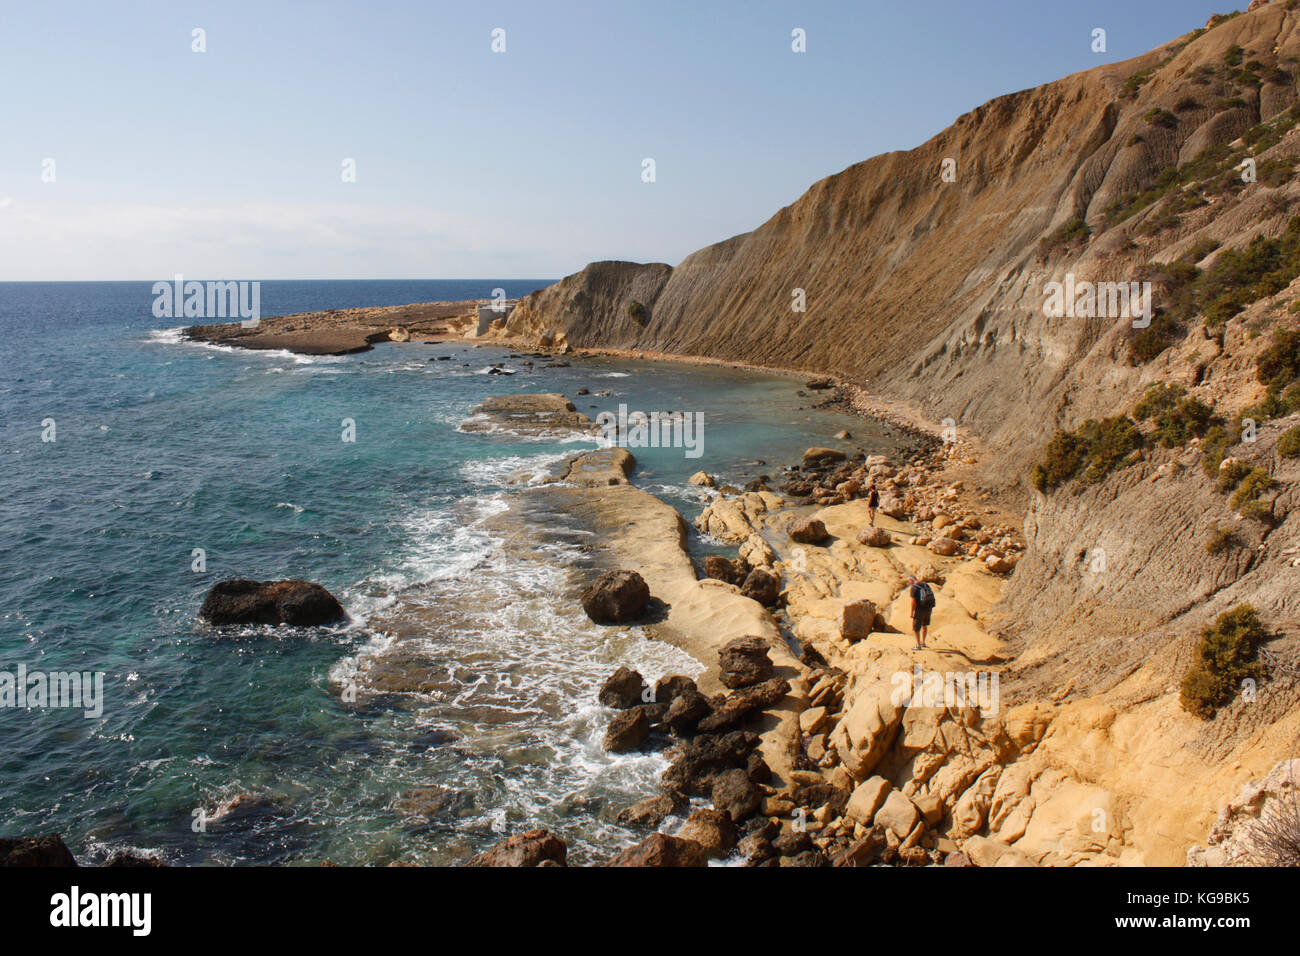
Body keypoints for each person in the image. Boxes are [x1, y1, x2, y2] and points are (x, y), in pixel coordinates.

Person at [907, 575, 935, 650]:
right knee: (924, 625)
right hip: (928, 608)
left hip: (920, 609)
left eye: (908, 581)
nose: (908, 583)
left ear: (911, 580)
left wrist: (911, 612)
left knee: (916, 628)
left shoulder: (914, 587)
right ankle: (923, 642)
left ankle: (918, 645)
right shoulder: (925, 584)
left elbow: (913, 602)